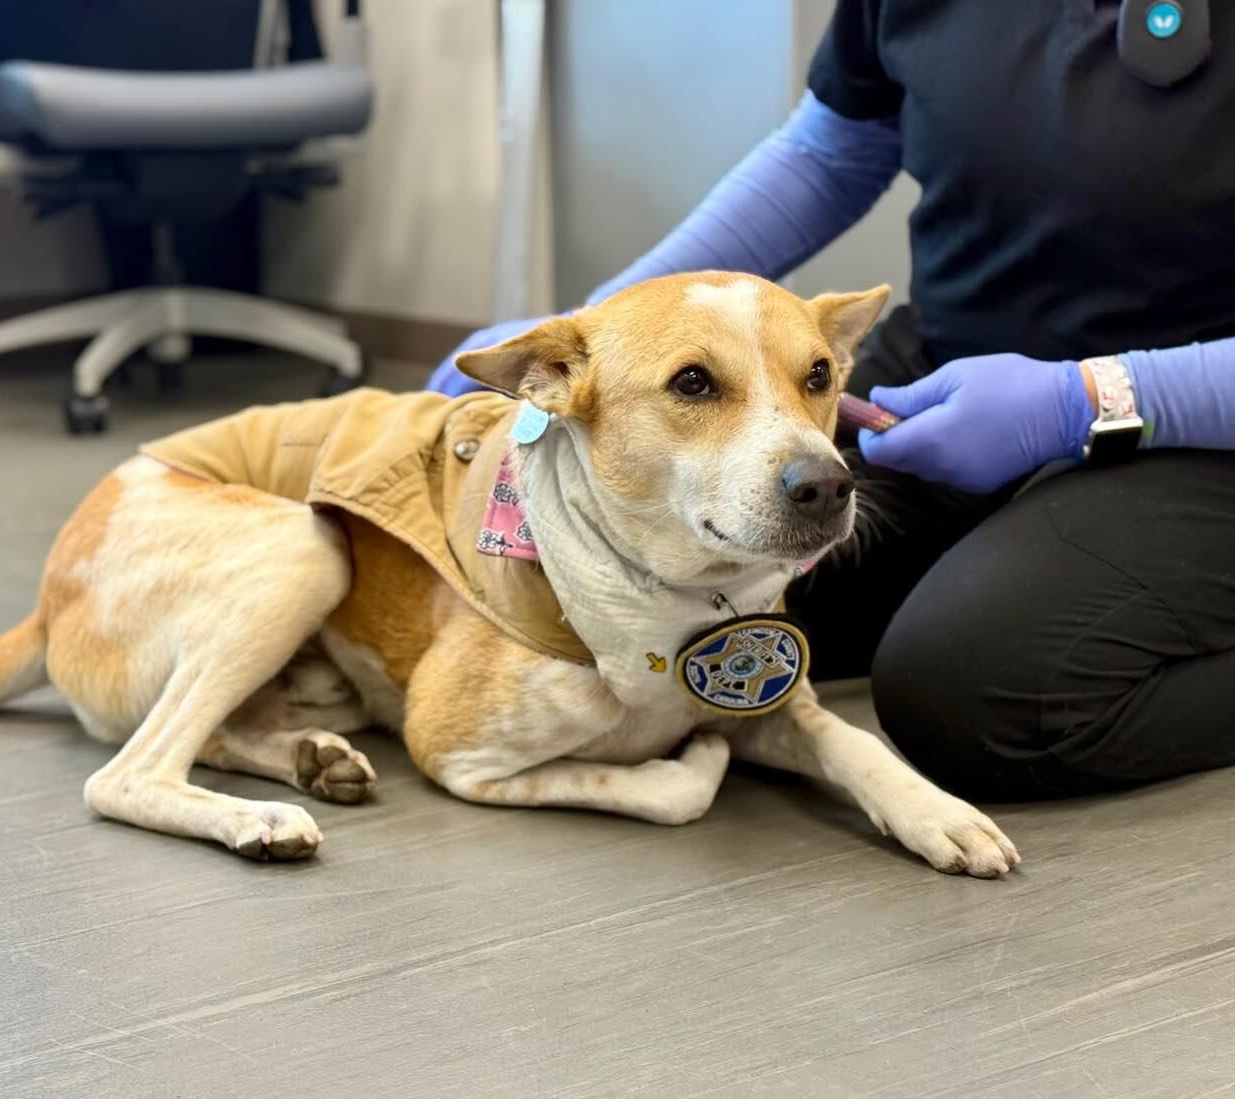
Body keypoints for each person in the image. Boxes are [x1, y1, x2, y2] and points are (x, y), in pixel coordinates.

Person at [425, 0, 1235, 802]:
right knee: (727, 593)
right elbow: (831, 151)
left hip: (1203, 432)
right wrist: (603, 328)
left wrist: (1086, 397)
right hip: (951, 379)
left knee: (973, 691)